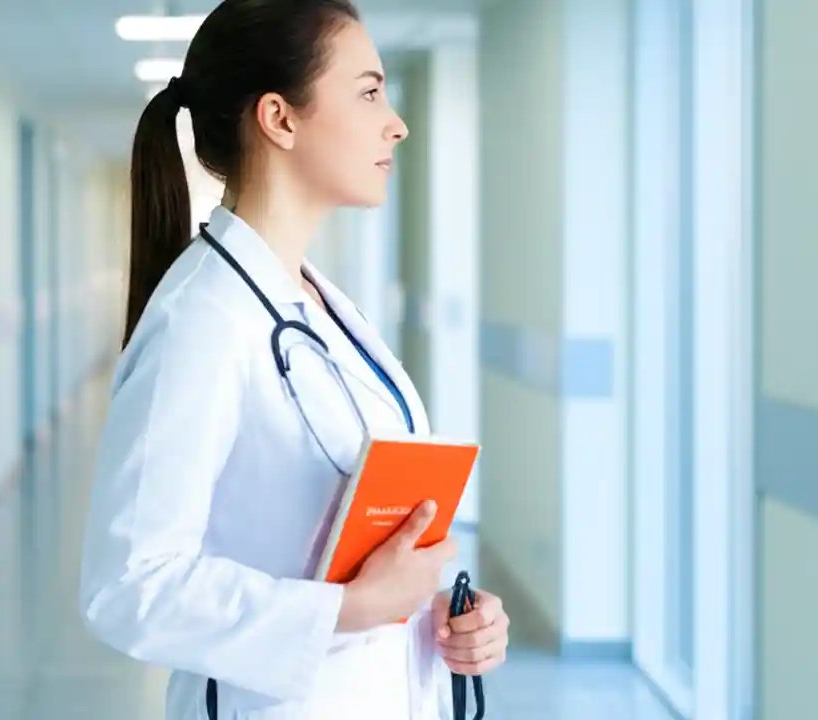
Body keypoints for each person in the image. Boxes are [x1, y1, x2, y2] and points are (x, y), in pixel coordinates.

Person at [78, 1, 510, 717]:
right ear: (279, 118)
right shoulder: (204, 319)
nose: (395, 123)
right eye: (369, 92)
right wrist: (349, 608)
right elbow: (128, 586)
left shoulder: (315, 302)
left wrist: (440, 617)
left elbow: (324, 548)